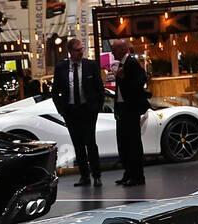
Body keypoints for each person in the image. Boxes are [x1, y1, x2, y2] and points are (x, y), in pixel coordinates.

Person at [52, 37, 104, 186]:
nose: (81, 52)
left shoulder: (91, 65)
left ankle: (97, 175)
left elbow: (99, 88)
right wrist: (61, 110)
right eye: (77, 50)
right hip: (71, 111)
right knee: (78, 145)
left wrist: (97, 107)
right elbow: (55, 91)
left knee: (91, 143)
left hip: (88, 110)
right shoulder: (61, 67)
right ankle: (84, 176)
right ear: (70, 52)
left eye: (82, 49)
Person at [111, 38, 150, 186]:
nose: (113, 52)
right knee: (123, 143)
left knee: (133, 143)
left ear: (122, 49)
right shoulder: (122, 64)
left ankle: (137, 176)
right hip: (122, 108)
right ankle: (128, 173)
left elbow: (140, 82)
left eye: (115, 49)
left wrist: (124, 77)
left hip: (130, 109)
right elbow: (119, 92)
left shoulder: (131, 63)